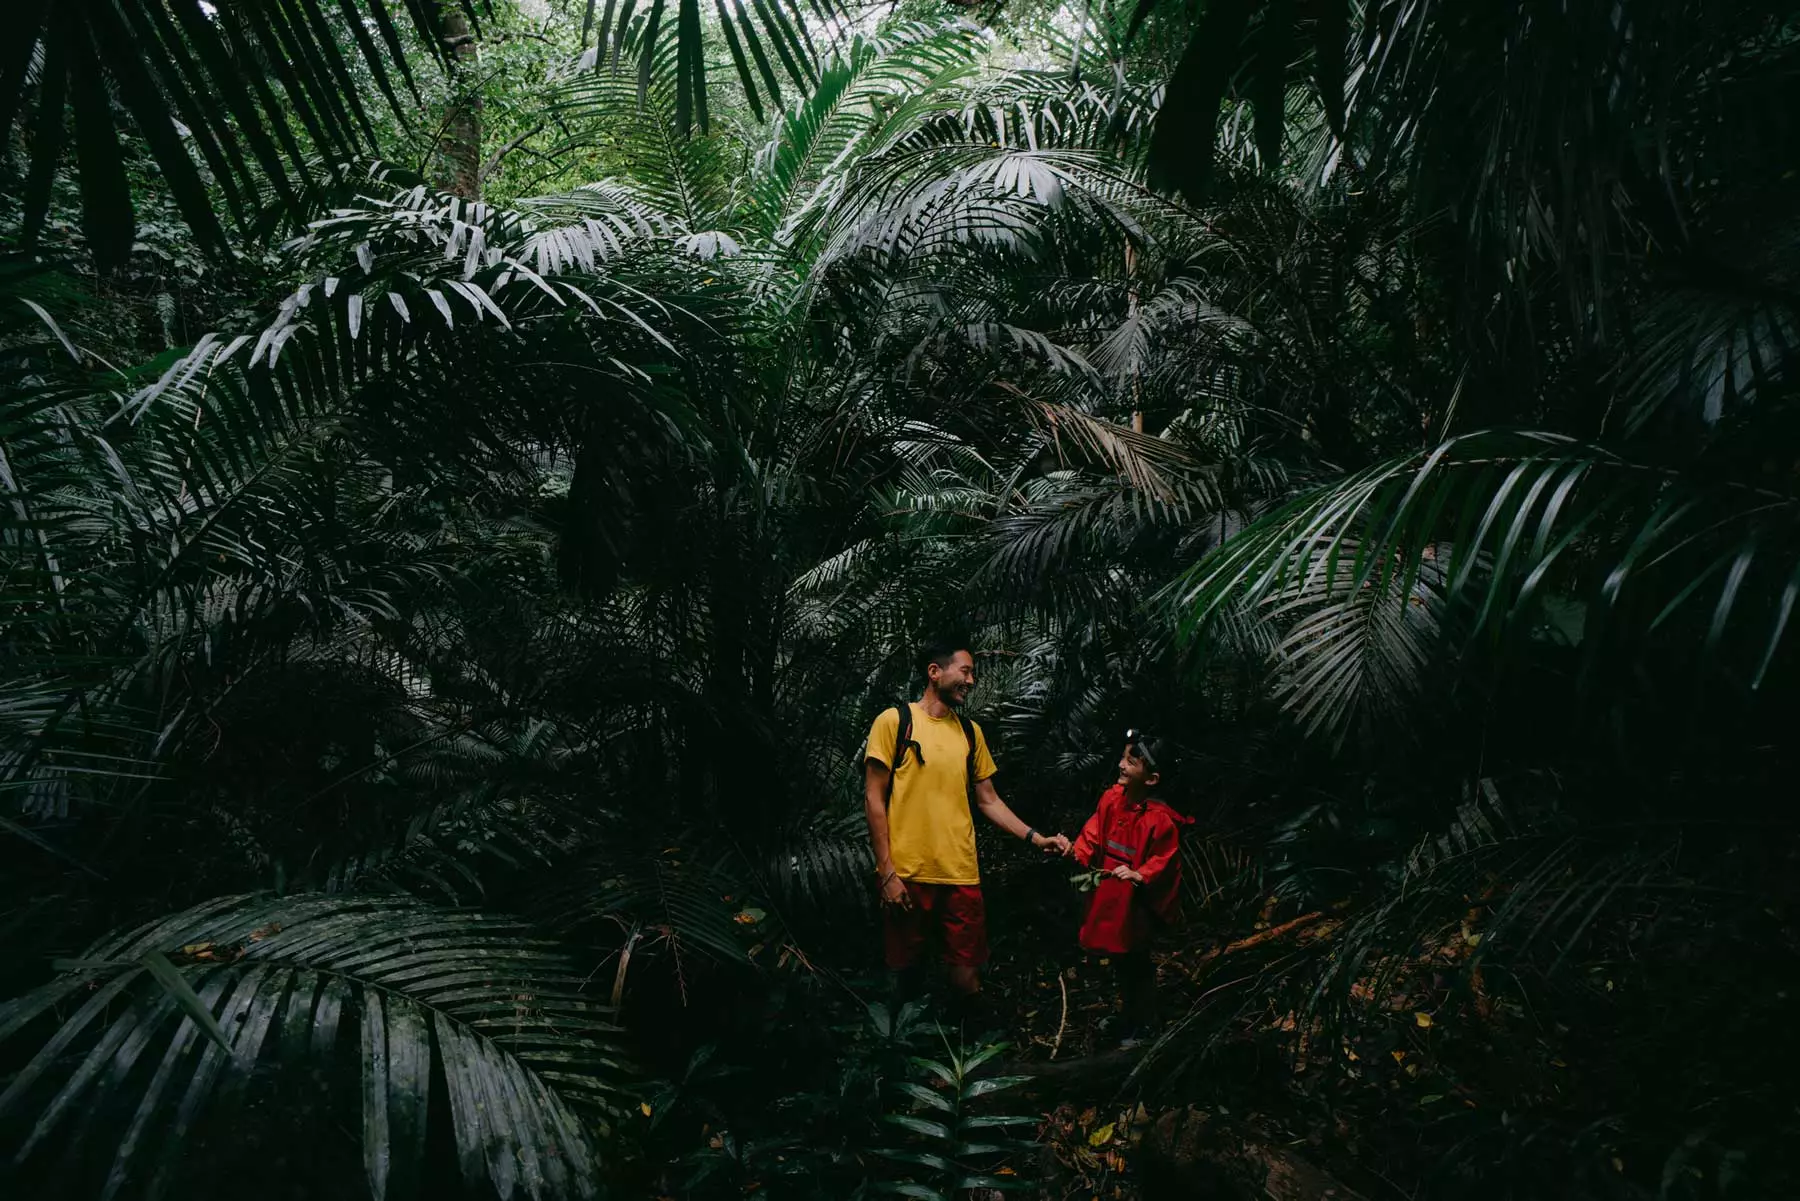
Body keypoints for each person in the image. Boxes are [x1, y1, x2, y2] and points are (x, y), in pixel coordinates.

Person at [863, 637, 1071, 1022]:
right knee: (905, 975)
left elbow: (989, 800)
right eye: (966, 671)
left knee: (966, 975)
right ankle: (903, 1066)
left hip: (960, 874)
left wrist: (1035, 837)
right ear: (934, 672)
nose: (971, 681)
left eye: (972, 673)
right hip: (908, 874)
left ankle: (971, 1060)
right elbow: (874, 799)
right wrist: (887, 871)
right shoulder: (895, 722)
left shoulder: (970, 733)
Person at [1071, 729, 1192, 1048]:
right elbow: (1094, 831)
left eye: (1132, 761)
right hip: (1110, 894)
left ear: (1151, 779)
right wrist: (1079, 851)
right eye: (1124, 757)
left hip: (1136, 905)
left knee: (1136, 961)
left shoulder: (1160, 820)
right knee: (1119, 960)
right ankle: (1127, 1018)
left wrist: (1140, 875)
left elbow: (1164, 860)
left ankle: (1144, 1025)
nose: (1122, 765)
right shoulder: (1112, 799)